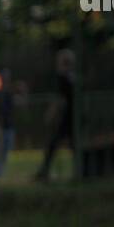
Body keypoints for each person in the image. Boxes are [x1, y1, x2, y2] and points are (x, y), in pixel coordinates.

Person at [35, 50, 76, 182]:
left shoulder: (64, 78)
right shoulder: (72, 77)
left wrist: (50, 114)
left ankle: (44, 172)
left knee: (54, 145)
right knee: (72, 145)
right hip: (72, 118)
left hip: (68, 118)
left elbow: (60, 99)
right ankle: (81, 171)